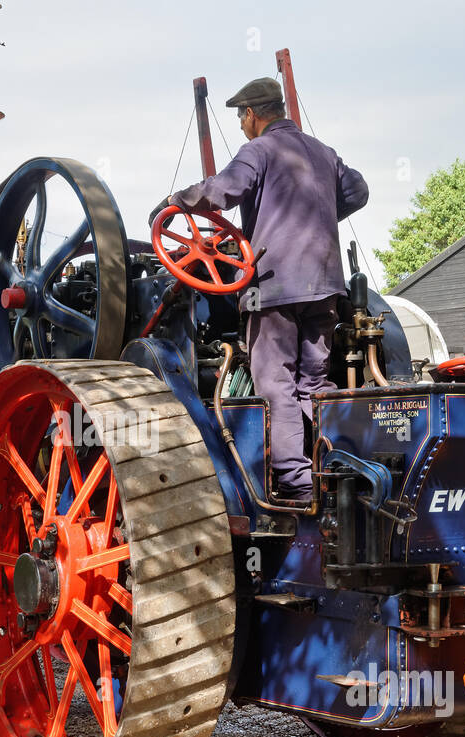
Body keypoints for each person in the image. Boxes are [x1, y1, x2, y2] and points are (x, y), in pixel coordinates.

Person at [153, 78, 368, 500]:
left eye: (240, 118)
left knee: (275, 383)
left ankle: (295, 483)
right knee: (316, 383)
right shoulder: (322, 152)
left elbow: (222, 191)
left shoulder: (259, 150)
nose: (241, 126)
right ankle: (336, 474)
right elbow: (357, 191)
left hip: (273, 286)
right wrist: (317, 218)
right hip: (324, 286)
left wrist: (173, 201)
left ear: (252, 115)